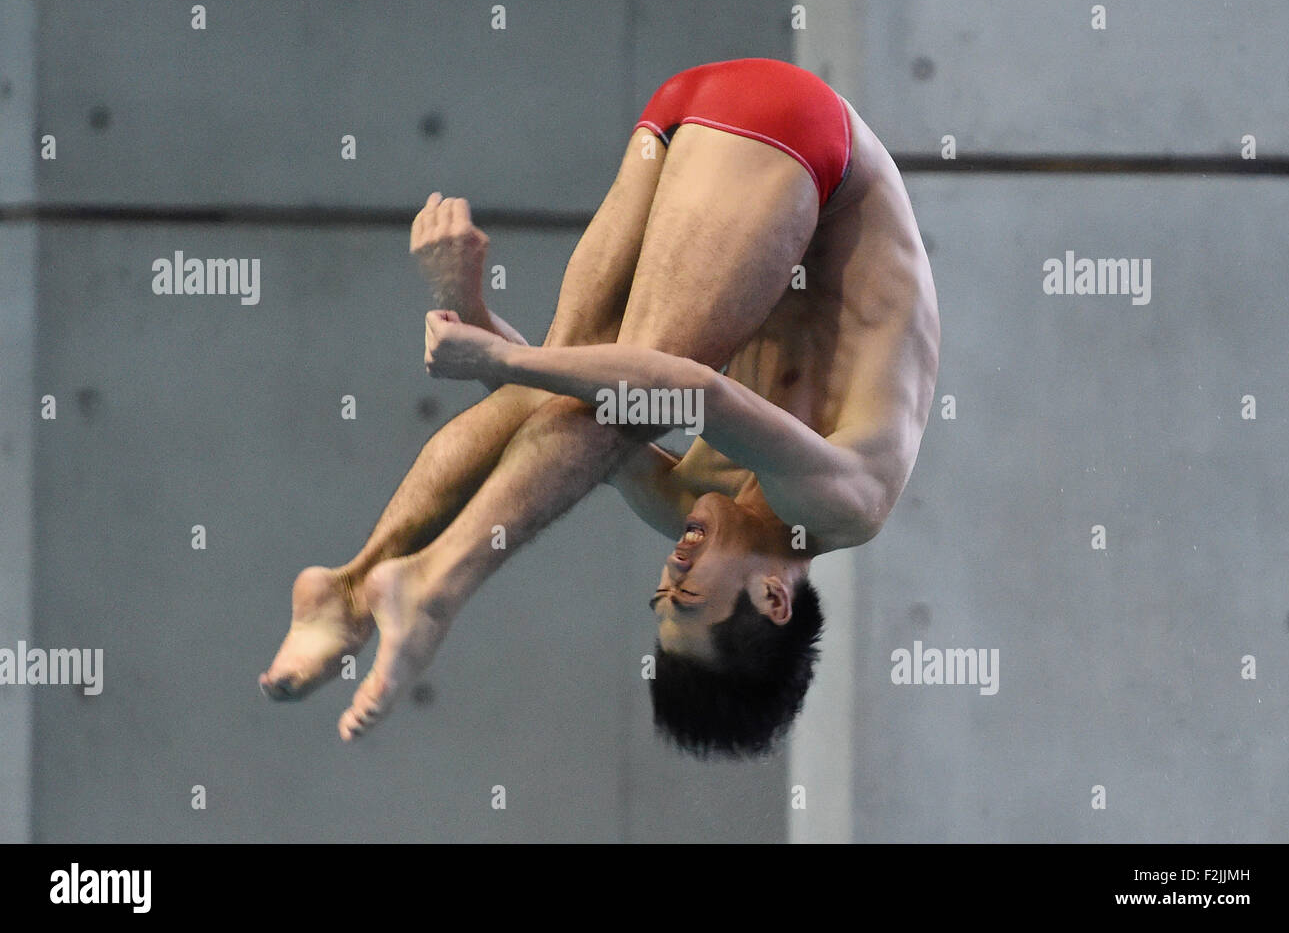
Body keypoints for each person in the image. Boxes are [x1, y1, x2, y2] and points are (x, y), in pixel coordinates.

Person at [260, 58, 940, 756]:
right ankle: (434, 585)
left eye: (659, 601)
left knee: (584, 377)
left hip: (683, 114)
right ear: (773, 599)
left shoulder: (681, 505)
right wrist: (503, 360)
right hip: (796, 133)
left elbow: (557, 400)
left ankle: (347, 589)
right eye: (689, 598)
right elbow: (690, 389)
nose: (670, 574)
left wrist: (470, 312)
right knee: (633, 400)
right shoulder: (846, 501)